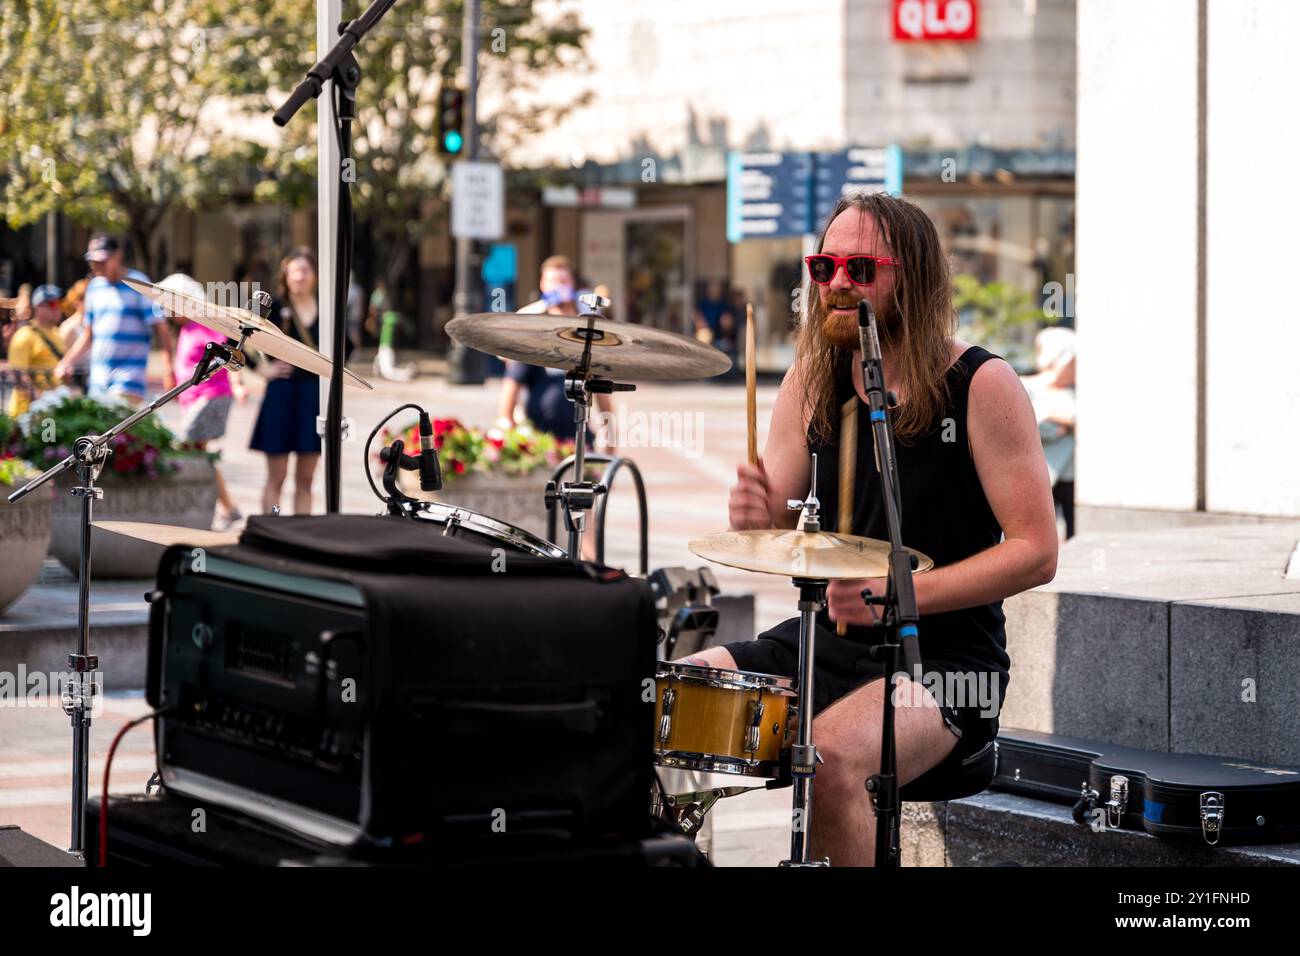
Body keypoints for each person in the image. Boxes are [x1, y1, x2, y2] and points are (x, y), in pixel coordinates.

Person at [681, 193, 1059, 866]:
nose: (837, 285)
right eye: (823, 267)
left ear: (909, 274)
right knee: (670, 698)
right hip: (827, 642)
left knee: (828, 761)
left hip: (944, 664)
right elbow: (774, 513)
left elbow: (1036, 551)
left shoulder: (982, 384)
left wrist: (901, 596)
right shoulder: (813, 379)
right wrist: (755, 512)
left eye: (860, 268)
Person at [495, 255, 615, 452]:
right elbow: (510, 389)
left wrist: (610, 441)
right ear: (542, 285)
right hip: (539, 443)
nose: (558, 287)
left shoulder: (587, 335)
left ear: (573, 285)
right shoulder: (534, 335)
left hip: (579, 441)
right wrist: (509, 435)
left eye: (563, 281)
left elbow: (603, 394)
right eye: (553, 281)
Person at [161, 273, 247, 530]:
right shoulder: (187, 329)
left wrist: (239, 385)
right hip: (196, 400)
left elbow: (227, 356)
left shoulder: (206, 325)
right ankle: (226, 508)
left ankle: (217, 507)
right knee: (197, 452)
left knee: (187, 447)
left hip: (212, 397)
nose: (168, 309)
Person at [54, 234, 175, 406]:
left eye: (102, 261)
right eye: (93, 261)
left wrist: (168, 368)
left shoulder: (139, 283)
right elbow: (89, 335)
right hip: (99, 379)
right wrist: (67, 362)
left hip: (128, 378)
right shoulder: (94, 288)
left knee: (116, 428)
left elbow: (160, 328)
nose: (96, 266)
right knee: (100, 431)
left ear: (117, 256)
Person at [249, 248, 323, 515]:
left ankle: (300, 535)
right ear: (286, 274)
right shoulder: (275, 306)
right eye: (295, 270)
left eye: (306, 270)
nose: (300, 276)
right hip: (281, 393)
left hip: (313, 395)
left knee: (306, 479)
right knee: (276, 477)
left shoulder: (327, 309)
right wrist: (261, 369)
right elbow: (236, 336)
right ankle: (273, 528)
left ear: (315, 275)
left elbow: (345, 350)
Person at [1022, 326, 1076, 538]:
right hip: (1043, 469)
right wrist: (1058, 426)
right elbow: (1028, 423)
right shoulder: (1027, 385)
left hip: (1071, 473)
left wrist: (1060, 419)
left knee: (1073, 527)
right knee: (1043, 529)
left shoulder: (1076, 391)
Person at [5, 284, 66, 416]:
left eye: (58, 303)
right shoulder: (24, 335)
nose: (57, 309)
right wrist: (42, 401)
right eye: (51, 304)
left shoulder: (58, 333)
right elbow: (18, 375)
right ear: (38, 308)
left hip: (51, 410)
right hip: (27, 413)